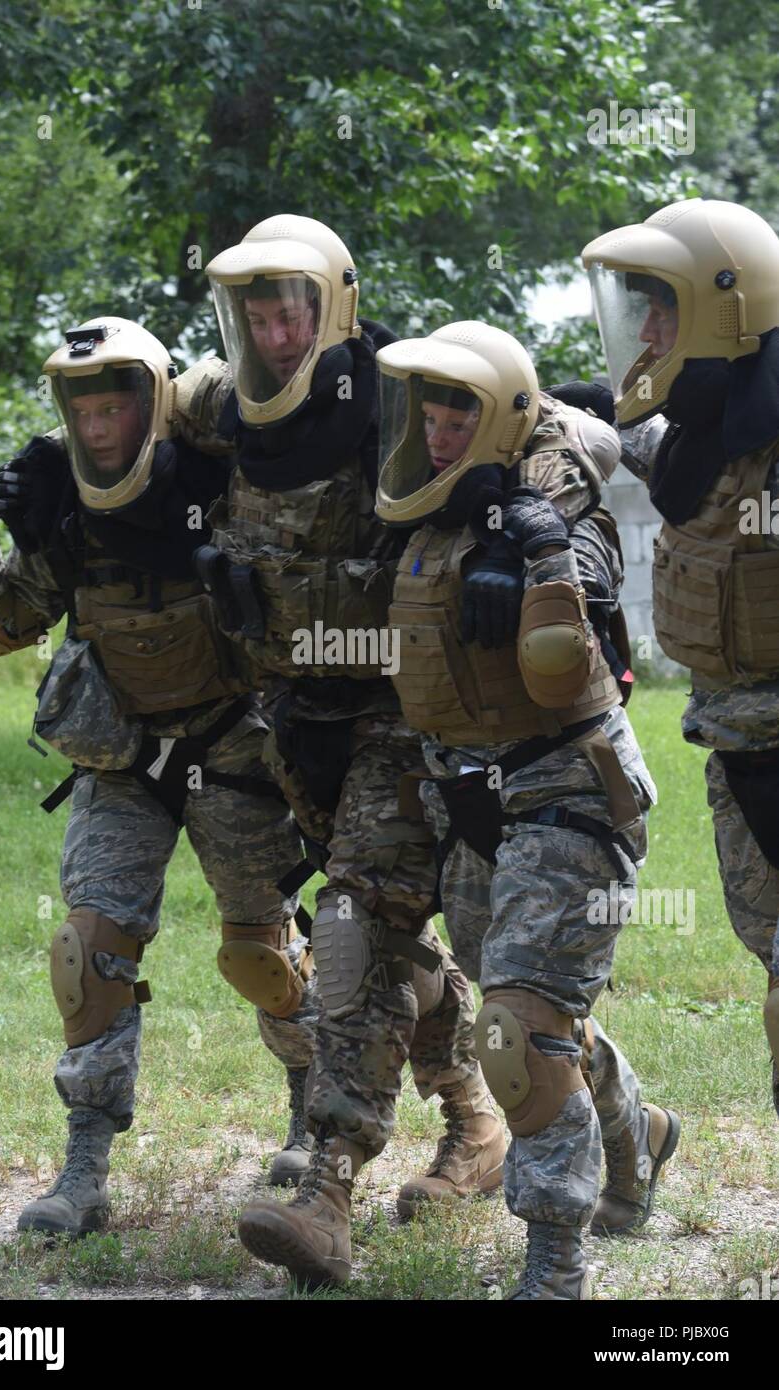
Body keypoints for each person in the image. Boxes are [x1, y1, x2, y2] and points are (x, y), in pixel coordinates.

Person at [189, 216, 506, 1287]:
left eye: (293, 308)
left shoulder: (400, 394)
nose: (276, 333)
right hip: (292, 722)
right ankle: (495, 1112)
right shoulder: (221, 408)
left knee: (356, 924)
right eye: (255, 312)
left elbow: (538, 422)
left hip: (395, 714)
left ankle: (325, 1185)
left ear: (334, 304)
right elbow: (123, 418)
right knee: (386, 937)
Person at [0, 317, 314, 1235]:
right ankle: (85, 1168)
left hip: (234, 750)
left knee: (261, 954)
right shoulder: (59, 500)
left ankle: (312, 1103)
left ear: (152, 404)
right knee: (87, 950)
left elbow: (301, 591)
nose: (100, 426)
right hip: (121, 758)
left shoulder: (218, 480)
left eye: (117, 406)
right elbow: (5, 626)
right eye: (85, 409)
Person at [373, 320, 680, 1299]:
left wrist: (538, 567)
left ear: (503, 415)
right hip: (475, 812)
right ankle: (639, 1130)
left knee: (513, 1032)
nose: (441, 425)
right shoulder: (422, 516)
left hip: (568, 801)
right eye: (430, 405)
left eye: (462, 406)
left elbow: (582, 587)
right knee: (535, 1023)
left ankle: (553, 1265)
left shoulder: (559, 518)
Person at [579, 196, 779, 1123]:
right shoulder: (701, 443)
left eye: (663, 312)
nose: (646, 334)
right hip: (741, 762)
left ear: (720, 314)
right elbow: (637, 441)